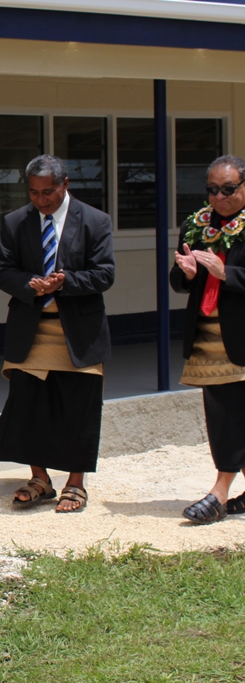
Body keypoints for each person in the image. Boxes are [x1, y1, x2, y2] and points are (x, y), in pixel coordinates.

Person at [0, 154, 115, 513]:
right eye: (33, 193)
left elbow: (105, 274)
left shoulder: (95, 221)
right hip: (31, 330)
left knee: (79, 407)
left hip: (78, 331)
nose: (41, 200)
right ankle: (40, 479)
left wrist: (66, 281)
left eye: (48, 192)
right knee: (27, 405)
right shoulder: (16, 222)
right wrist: (30, 283)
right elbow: (2, 271)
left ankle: (75, 483)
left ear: (65, 185)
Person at [171, 154, 245, 524]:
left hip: (242, 335)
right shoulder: (196, 225)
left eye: (228, 189)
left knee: (235, 415)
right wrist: (186, 274)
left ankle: (219, 491)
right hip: (209, 338)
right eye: (213, 190)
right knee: (222, 414)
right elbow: (177, 280)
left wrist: (226, 273)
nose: (220, 197)